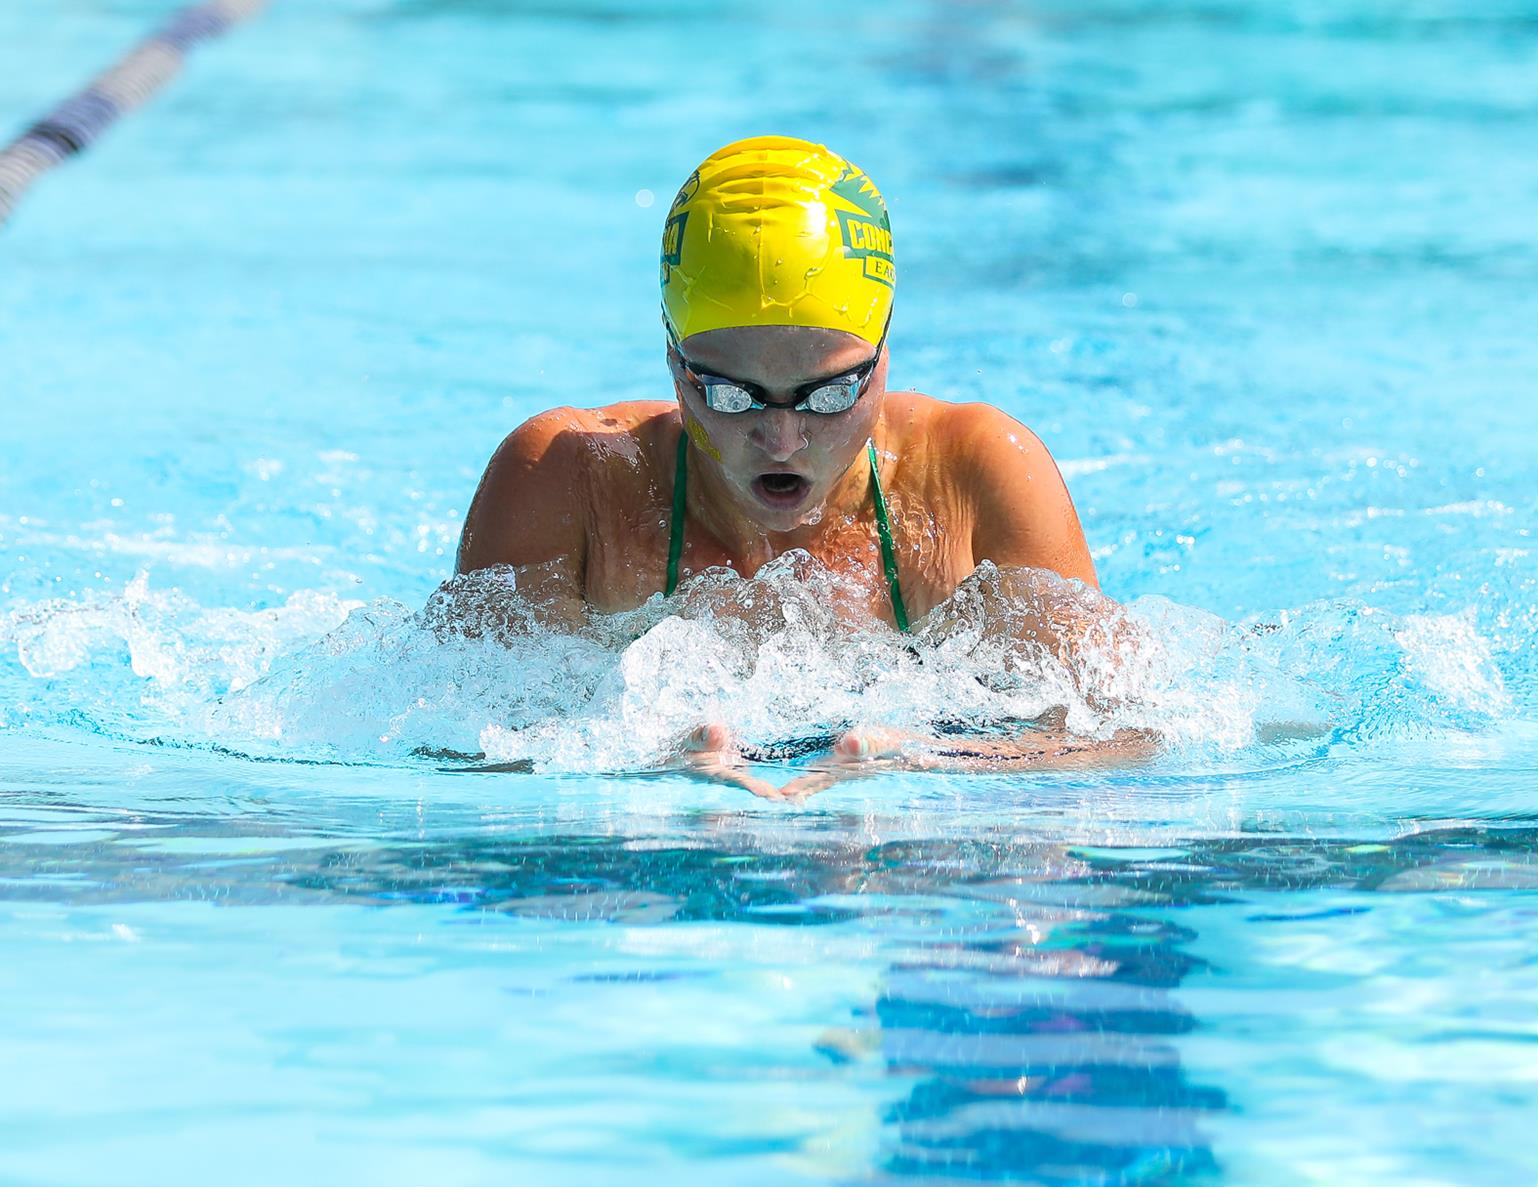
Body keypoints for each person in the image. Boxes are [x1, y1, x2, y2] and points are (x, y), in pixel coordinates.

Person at [435, 135, 1145, 796]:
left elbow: (1135, 732)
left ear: (885, 348)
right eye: (731, 394)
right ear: (673, 361)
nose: (781, 438)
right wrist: (631, 767)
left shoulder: (974, 478)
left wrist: (938, 759)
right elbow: (453, 741)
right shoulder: (569, 483)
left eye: (831, 393)